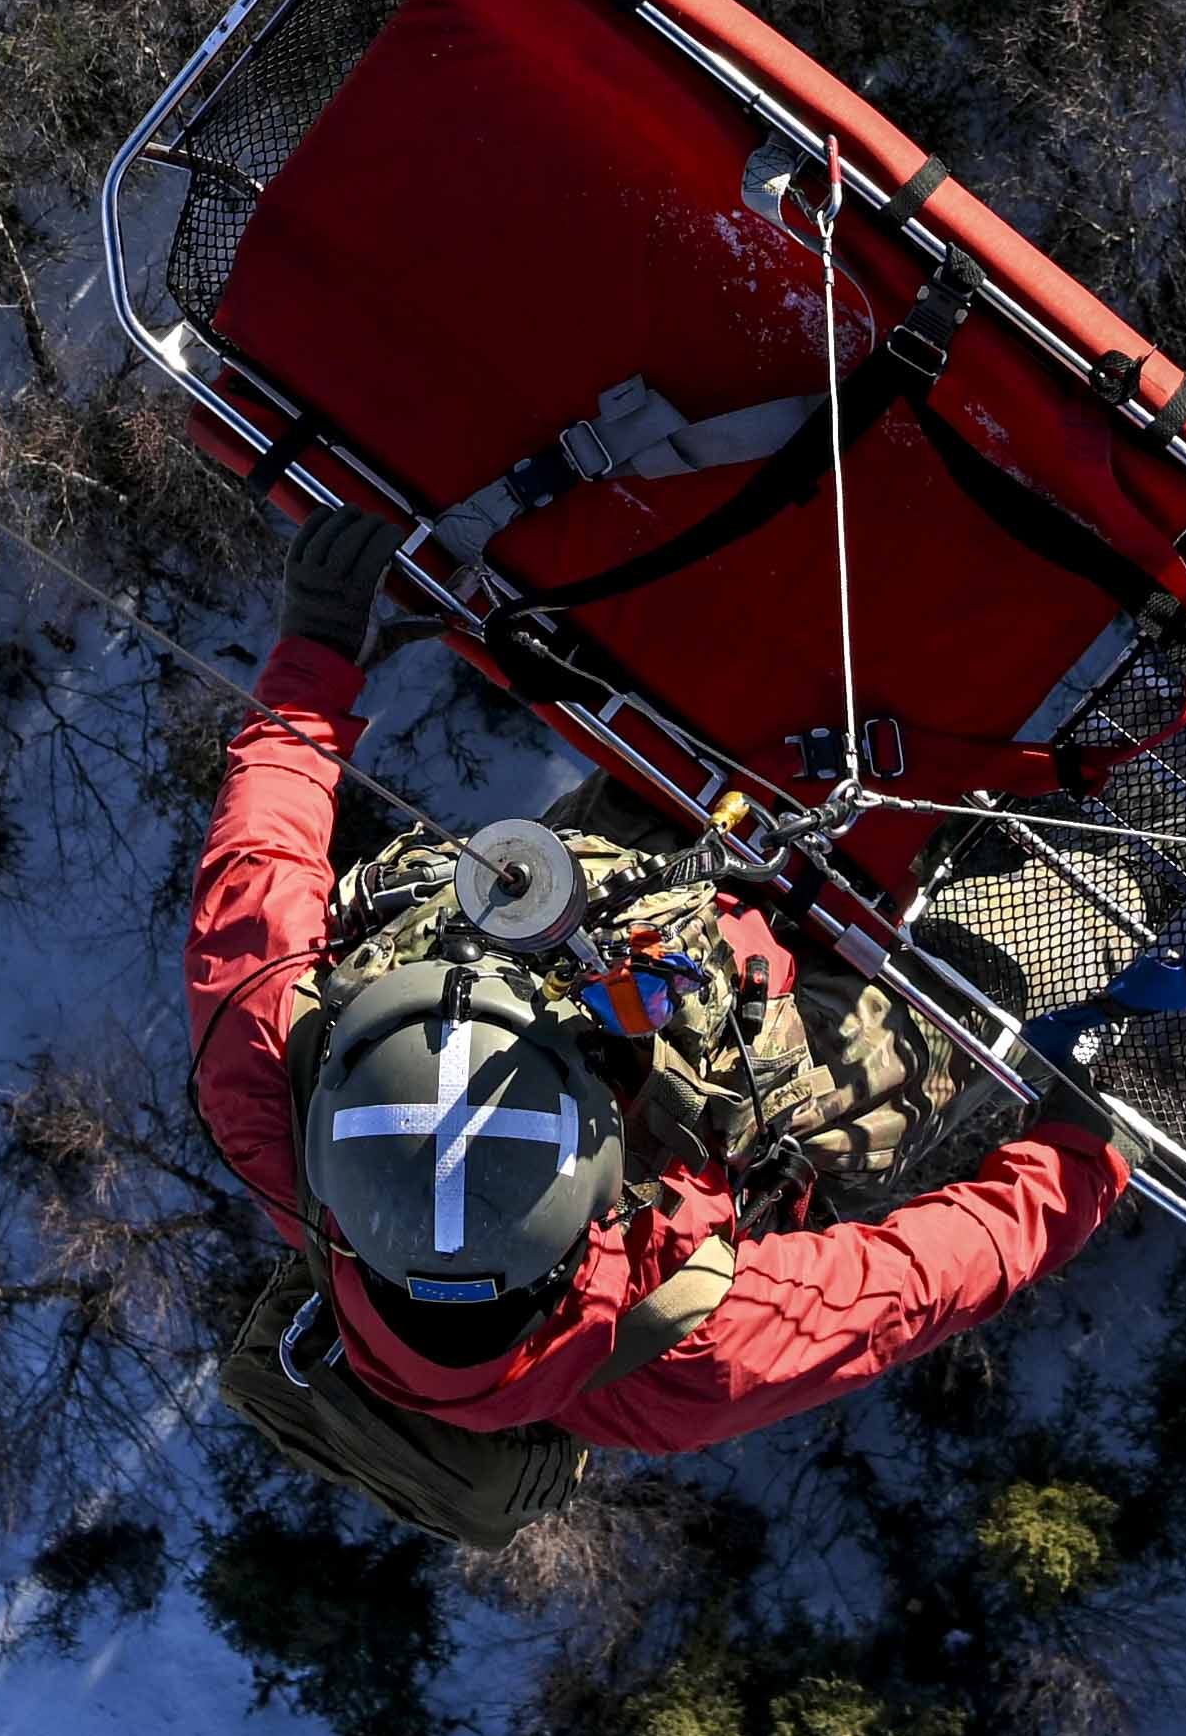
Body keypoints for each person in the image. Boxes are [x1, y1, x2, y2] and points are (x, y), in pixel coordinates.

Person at [188, 502, 1129, 1537]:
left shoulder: (271, 1090)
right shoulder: (671, 1350)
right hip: (794, 1086)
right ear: (590, 1206)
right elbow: (913, 1283)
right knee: (1056, 919)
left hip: (621, 892)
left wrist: (315, 655)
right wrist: (1074, 1164)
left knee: (762, 688)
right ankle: (1141, 831)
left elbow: (256, 873)